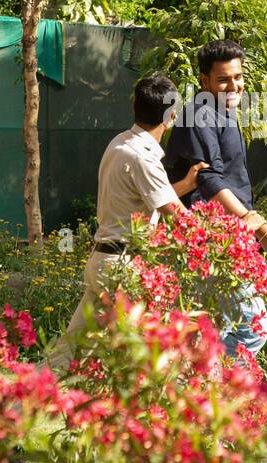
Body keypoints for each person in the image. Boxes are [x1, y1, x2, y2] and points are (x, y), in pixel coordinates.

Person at [44, 74, 205, 373]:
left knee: (70, 349)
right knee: (151, 349)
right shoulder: (144, 158)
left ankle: (23, 399)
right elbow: (174, 213)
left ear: (134, 105)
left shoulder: (120, 143)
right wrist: (220, 236)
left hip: (103, 261)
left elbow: (145, 196)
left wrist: (184, 184)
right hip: (123, 267)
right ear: (171, 117)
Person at [163, 39, 267, 360]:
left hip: (222, 237)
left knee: (209, 327)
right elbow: (208, 179)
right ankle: (212, 385)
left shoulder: (224, 111)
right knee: (252, 327)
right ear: (204, 81)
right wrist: (259, 227)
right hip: (208, 240)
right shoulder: (199, 114)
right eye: (223, 79)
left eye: (238, 76)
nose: (234, 85)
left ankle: (199, 392)